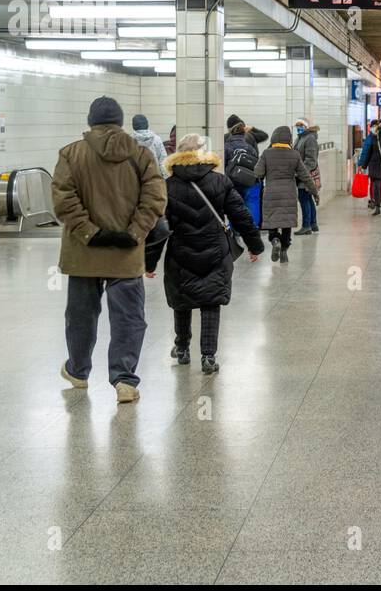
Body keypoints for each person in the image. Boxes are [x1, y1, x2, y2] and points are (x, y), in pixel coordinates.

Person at [52, 96, 167, 403]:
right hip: (126, 255)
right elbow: (155, 198)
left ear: (91, 122)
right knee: (129, 317)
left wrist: (91, 233)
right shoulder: (141, 155)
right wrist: (134, 232)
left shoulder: (70, 154)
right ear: (119, 121)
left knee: (80, 316)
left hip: (83, 254)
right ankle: (124, 380)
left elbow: (63, 199)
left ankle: (77, 371)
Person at [146, 134, 263, 374]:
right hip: (214, 251)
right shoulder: (220, 182)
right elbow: (241, 215)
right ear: (202, 154)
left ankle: (182, 348)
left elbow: (159, 228)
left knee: (182, 300)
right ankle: (208, 357)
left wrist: (149, 262)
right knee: (211, 302)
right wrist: (255, 245)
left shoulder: (168, 186)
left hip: (180, 252)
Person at [255, 125, 317, 261]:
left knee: (272, 221)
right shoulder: (294, 155)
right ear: (288, 139)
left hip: (271, 193)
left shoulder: (266, 153)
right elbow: (305, 176)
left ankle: (275, 240)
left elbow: (258, 173)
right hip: (289, 193)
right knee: (286, 223)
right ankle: (284, 251)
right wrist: (315, 192)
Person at [293, 119, 321, 235]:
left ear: (306, 127)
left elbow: (311, 160)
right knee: (308, 199)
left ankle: (306, 225)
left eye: (301, 125)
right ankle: (313, 223)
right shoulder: (300, 137)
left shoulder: (309, 139)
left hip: (305, 174)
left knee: (304, 199)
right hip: (302, 173)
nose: (299, 127)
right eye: (297, 126)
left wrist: (300, 172)